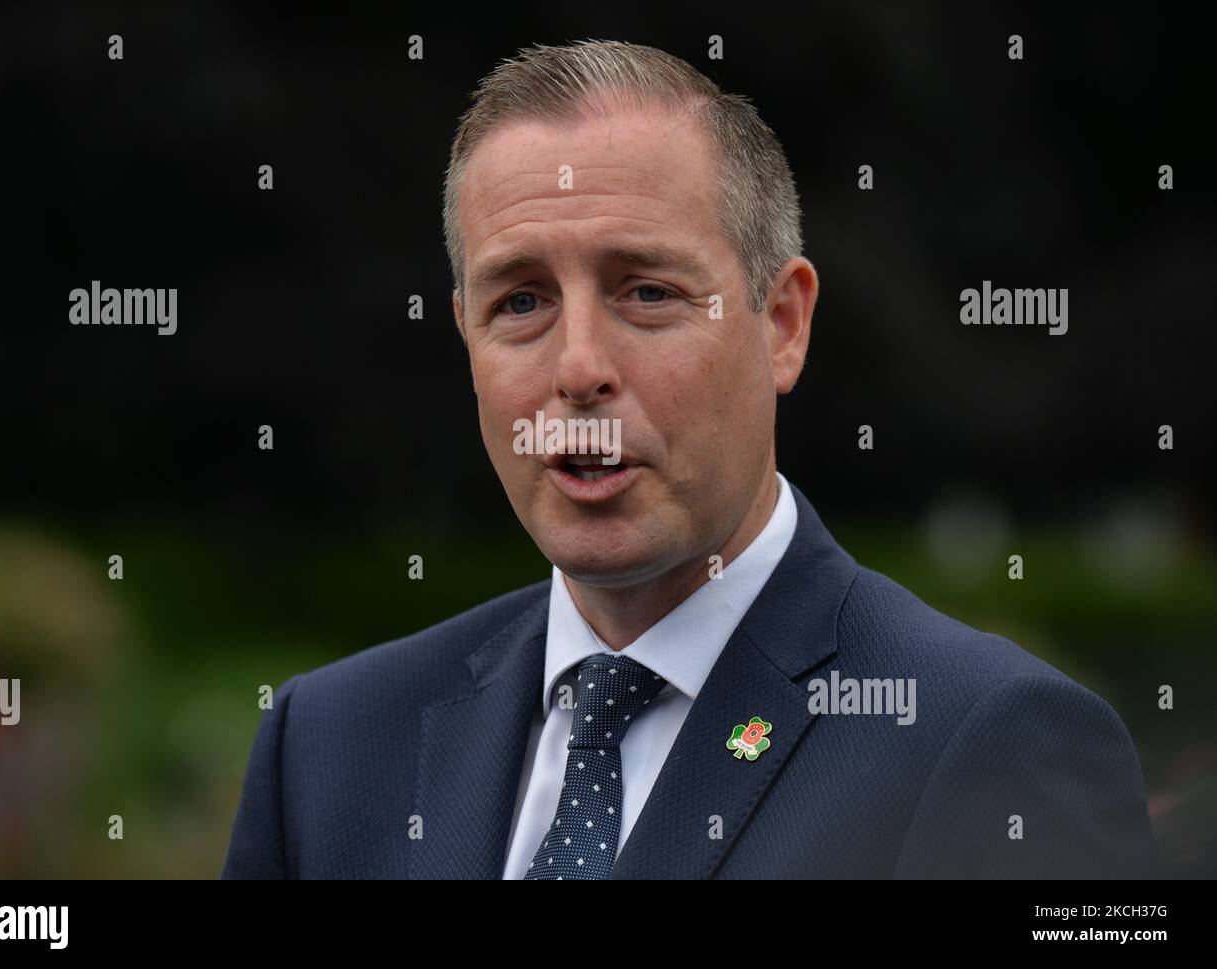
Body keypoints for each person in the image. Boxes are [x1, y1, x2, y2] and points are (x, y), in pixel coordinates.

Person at [222, 39, 1155, 879]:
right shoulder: (329, 747)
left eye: (648, 292)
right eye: (519, 302)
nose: (578, 367)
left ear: (782, 325)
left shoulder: (990, 742)